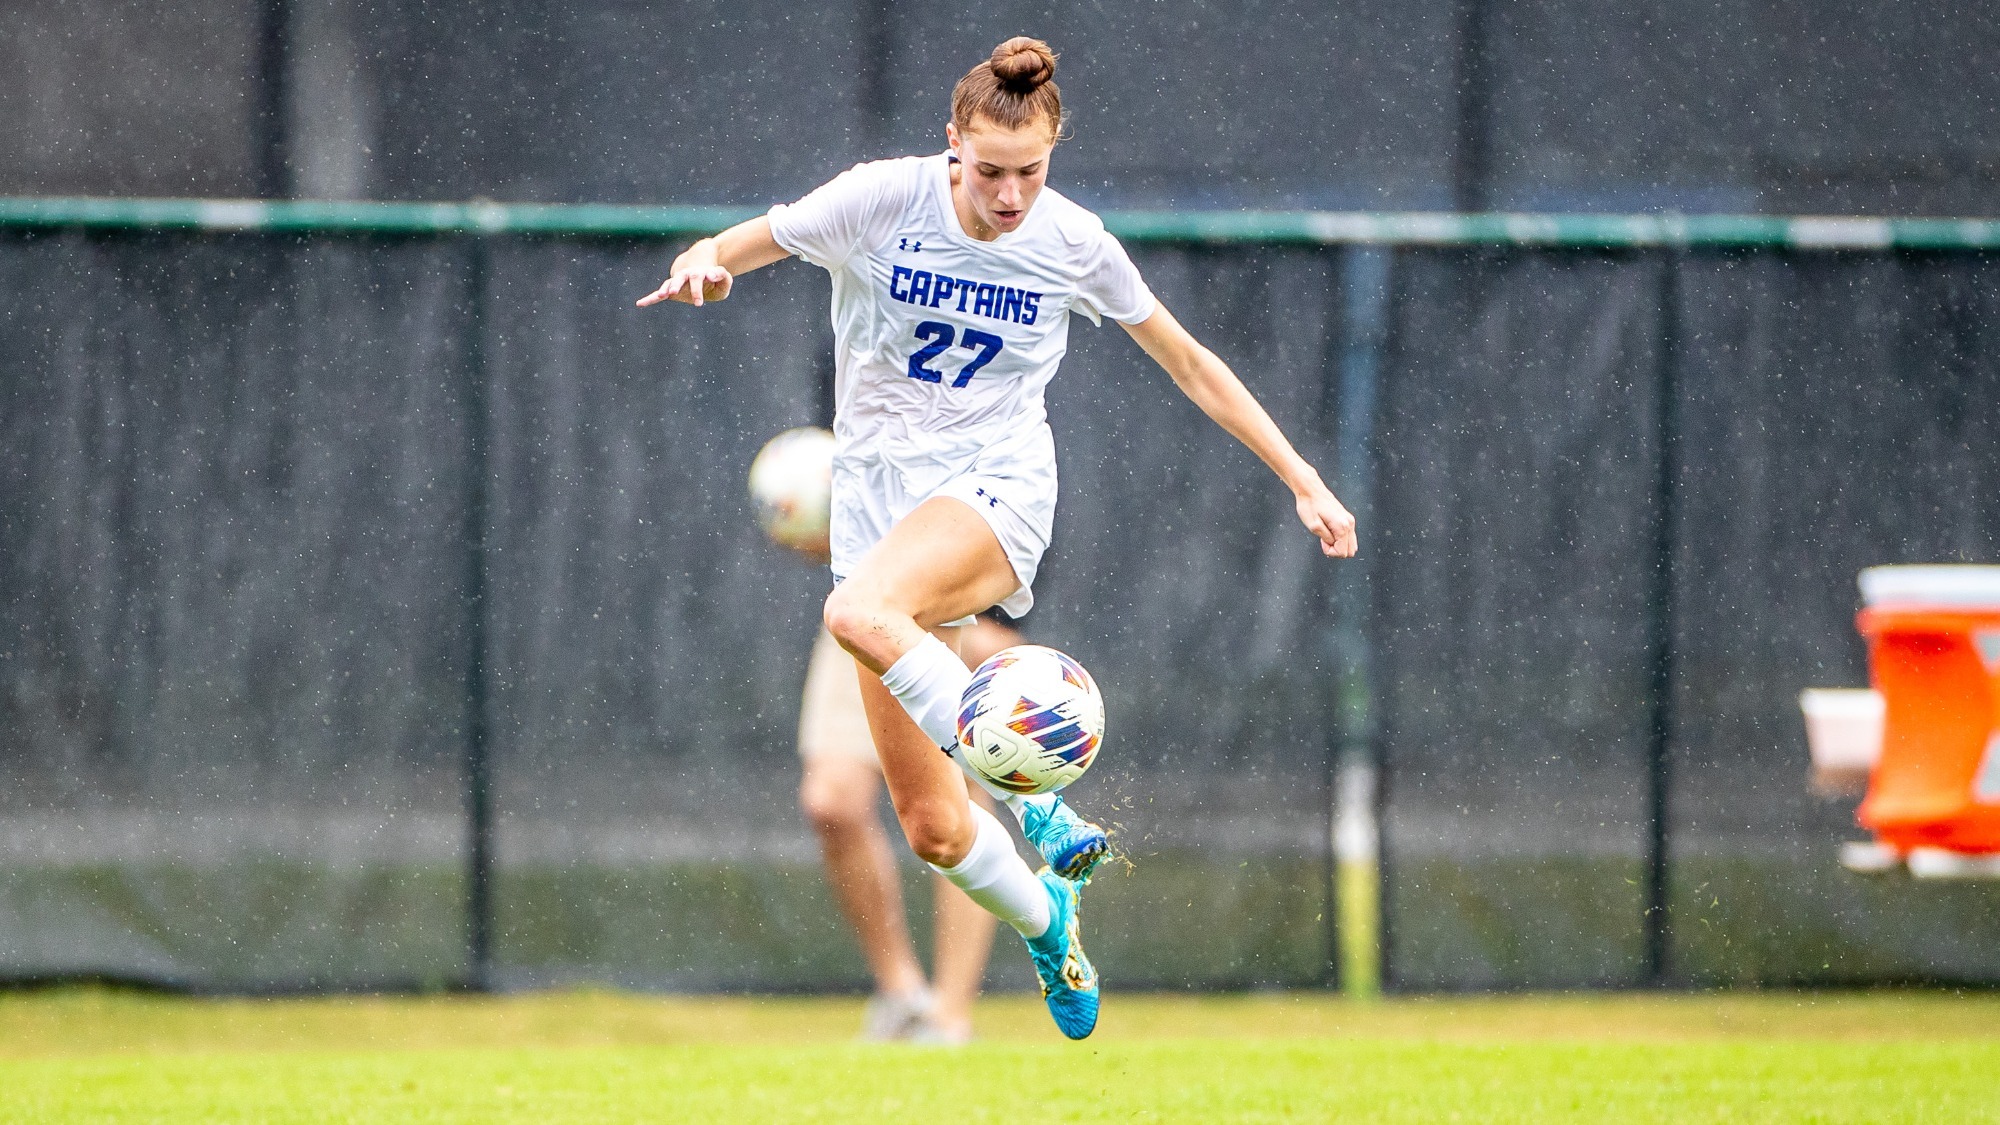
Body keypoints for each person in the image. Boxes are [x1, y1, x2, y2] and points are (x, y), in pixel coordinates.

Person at [639, 36, 1357, 1040]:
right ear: (950, 147)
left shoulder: (1071, 242)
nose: (1011, 195)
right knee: (932, 829)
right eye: (989, 173)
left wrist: (1302, 479)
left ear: (1052, 156)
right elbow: (735, 245)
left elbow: (1190, 364)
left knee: (854, 611)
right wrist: (700, 266)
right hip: (876, 521)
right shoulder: (877, 200)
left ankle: (1042, 810)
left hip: (997, 494)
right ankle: (1048, 924)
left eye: (1030, 172)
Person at [798, 611, 1020, 1043]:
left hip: (955, 616)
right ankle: (902, 993)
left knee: (954, 816)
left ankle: (950, 1017)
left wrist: (1001, 615)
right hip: (863, 617)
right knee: (832, 803)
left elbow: (1025, 541)